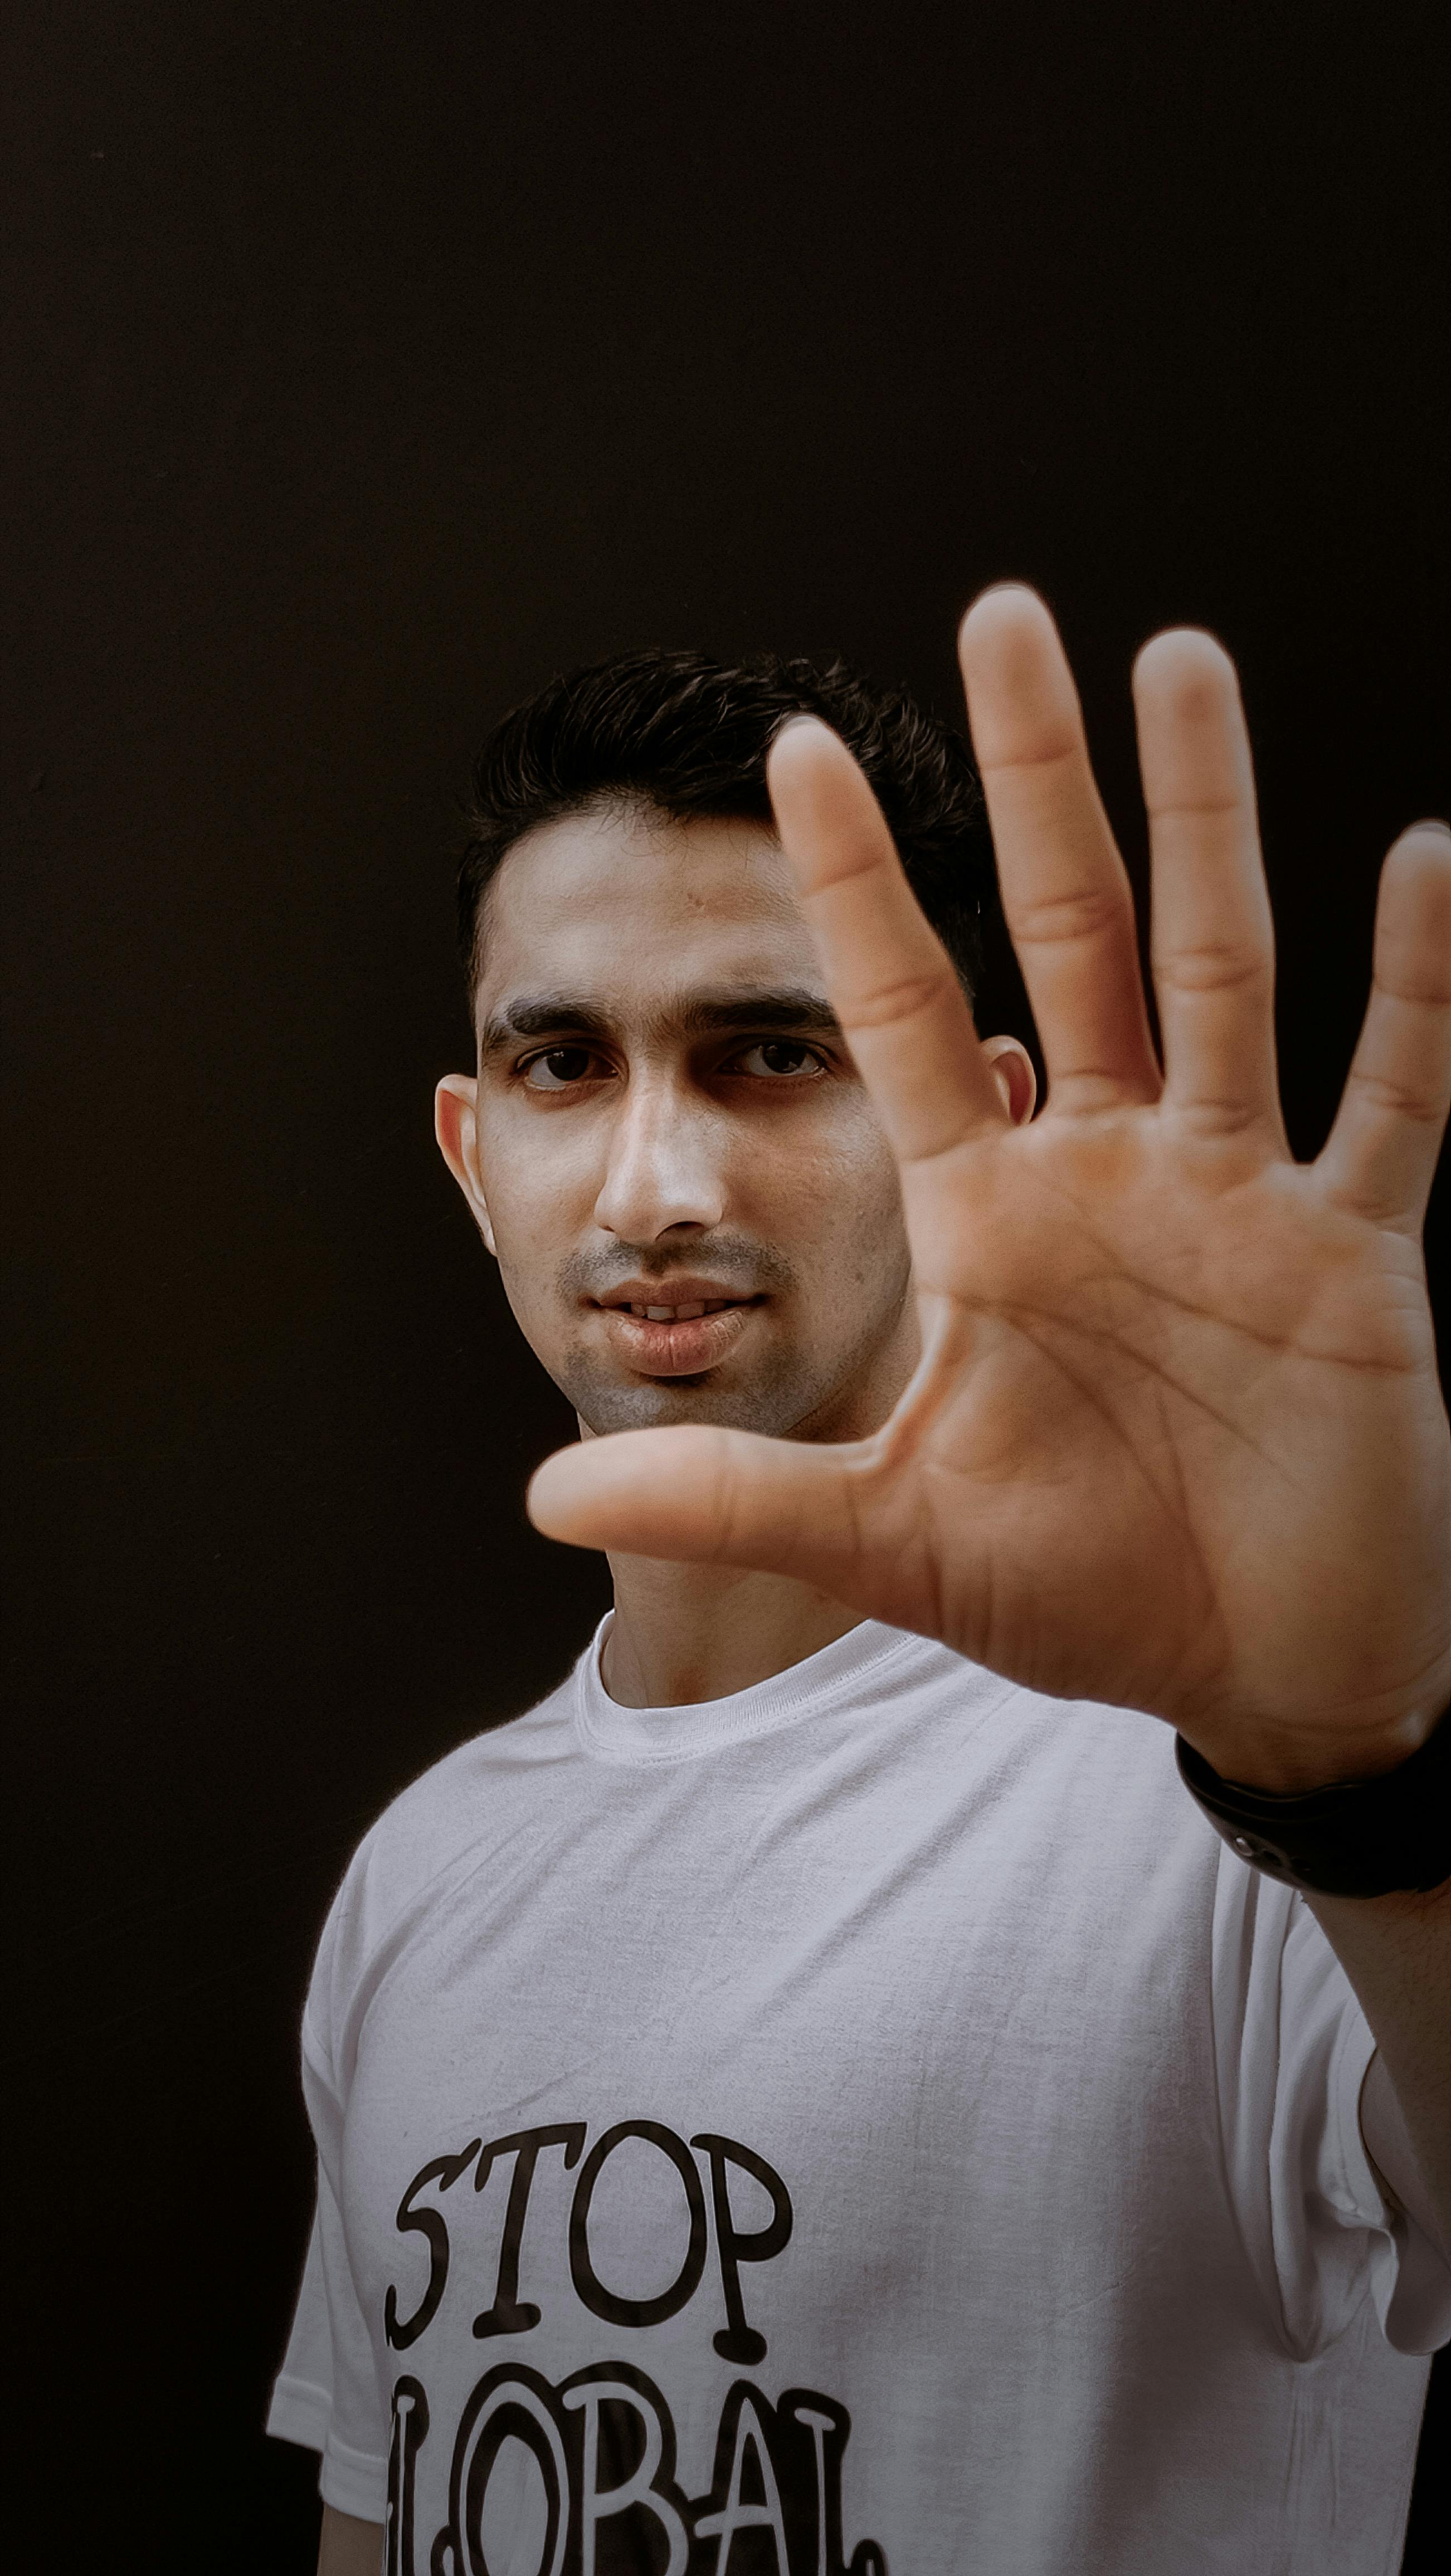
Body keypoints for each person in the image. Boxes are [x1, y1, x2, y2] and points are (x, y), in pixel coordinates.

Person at [267, 586, 1451, 2576]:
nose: (654, 1188)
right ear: (471, 1158)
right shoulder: (423, 1874)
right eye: (563, 1064)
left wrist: (1357, 1774)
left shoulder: (1235, 1817)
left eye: (768, 1053)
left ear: (971, 1125)